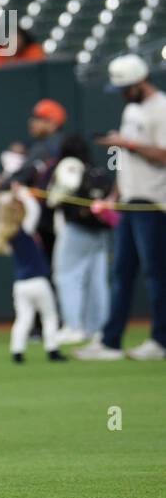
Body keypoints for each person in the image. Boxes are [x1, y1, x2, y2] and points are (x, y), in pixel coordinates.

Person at [78, 54, 166, 360]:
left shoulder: (162, 108)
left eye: (127, 88)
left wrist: (127, 144)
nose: (124, 95)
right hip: (129, 199)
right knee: (122, 272)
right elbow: (127, 162)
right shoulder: (131, 109)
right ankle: (110, 341)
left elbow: (164, 155)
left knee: (156, 273)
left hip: (153, 201)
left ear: (141, 82)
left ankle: (160, 341)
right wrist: (114, 195)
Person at [46, 136, 114, 345]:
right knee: (97, 281)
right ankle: (98, 329)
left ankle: (73, 326)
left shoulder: (68, 168)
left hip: (76, 230)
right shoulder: (98, 171)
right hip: (101, 233)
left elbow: (53, 200)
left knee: (67, 277)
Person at [0, 185, 65, 364]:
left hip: (20, 285)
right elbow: (34, 209)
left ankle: (17, 352)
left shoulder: (5, 236)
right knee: (50, 316)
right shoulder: (25, 231)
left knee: (23, 318)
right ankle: (52, 350)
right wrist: (23, 193)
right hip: (38, 282)